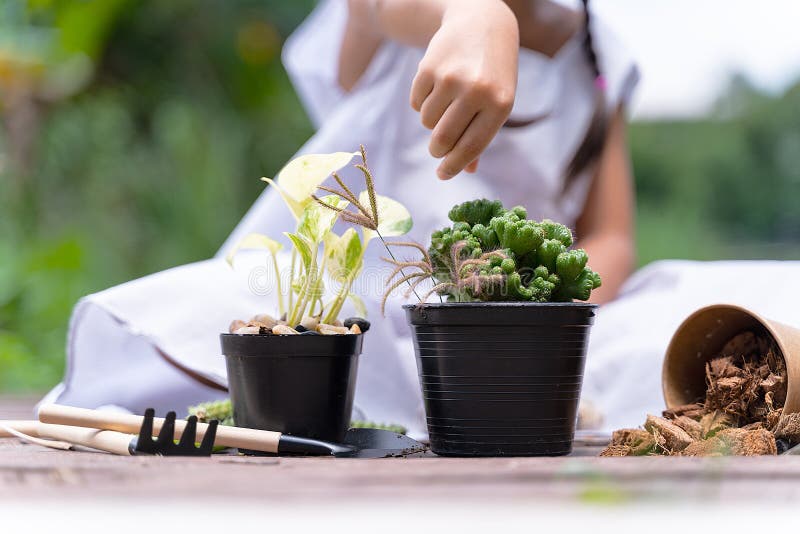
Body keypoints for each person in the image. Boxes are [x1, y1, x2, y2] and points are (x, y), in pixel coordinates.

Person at [43, 0, 642, 437]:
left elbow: (610, 235)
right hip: (355, 291)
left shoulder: (599, 58)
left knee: (671, 336)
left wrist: (539, 307)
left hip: (509, 325)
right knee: (249, 331)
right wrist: (474, 15)